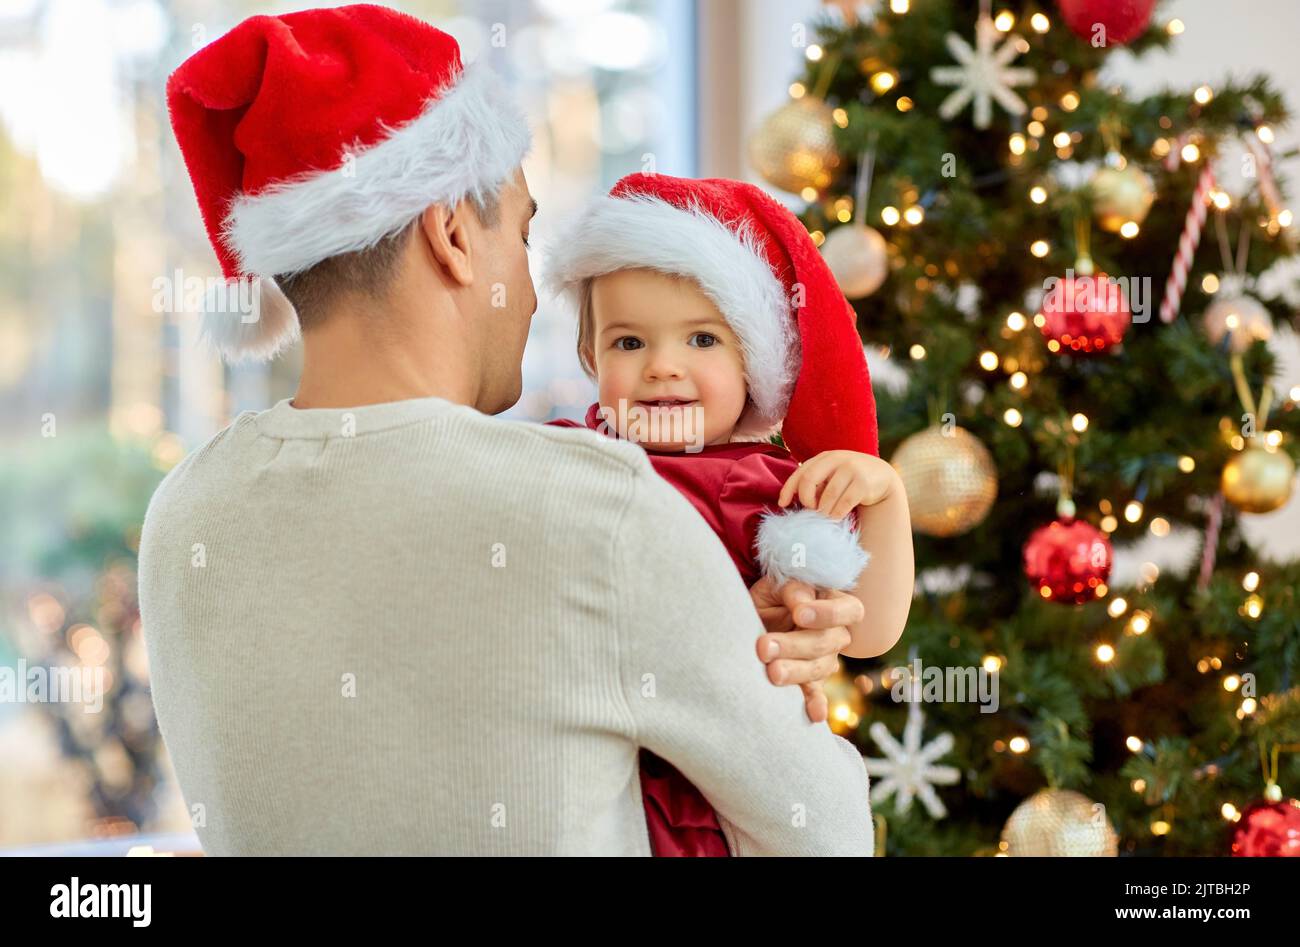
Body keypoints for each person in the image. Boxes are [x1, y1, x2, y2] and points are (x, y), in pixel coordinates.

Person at [139, 3, 875, 855]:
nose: (530, 297)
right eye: (521, 237)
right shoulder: (598, 508)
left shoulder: (184, 516)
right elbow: (827, 834)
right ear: (451, 235)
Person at [544, 174, 914, 855]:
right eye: (629, 343)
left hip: (725, 802)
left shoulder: (769, 489)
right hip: (591, 778)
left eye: (703, 341)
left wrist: (885, 496)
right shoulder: (567, 459)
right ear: (590, 356)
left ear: (755, 361)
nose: (662, 366)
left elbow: (869, 633)